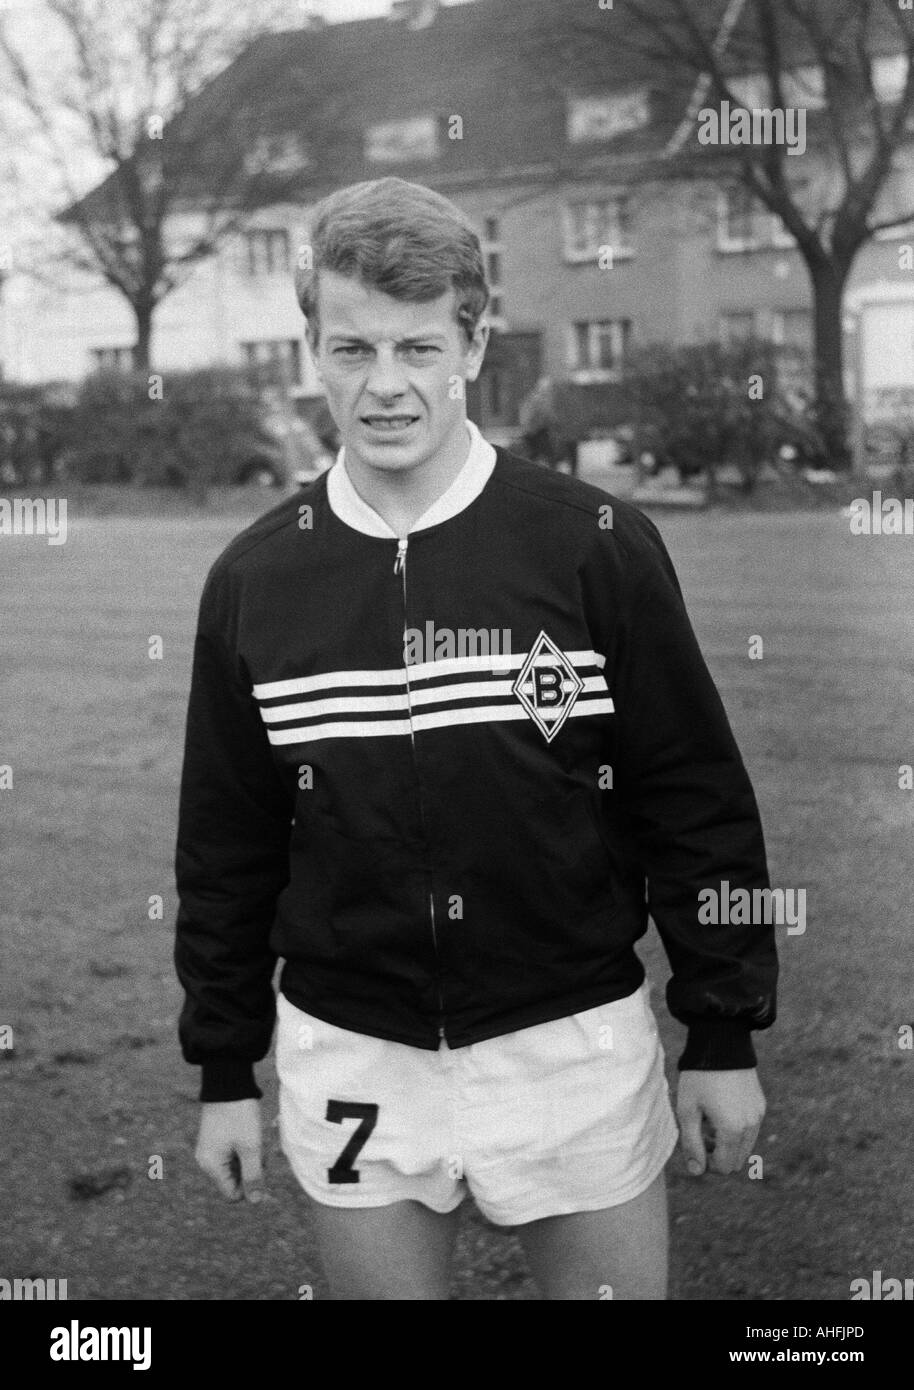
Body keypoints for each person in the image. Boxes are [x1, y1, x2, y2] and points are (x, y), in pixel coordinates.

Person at [174, 176, 777, 1301]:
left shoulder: (591, 543)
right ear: (310, 346)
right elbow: (224, 847)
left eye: (417, 347)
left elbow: (691, 796)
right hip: (351, 1052)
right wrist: (222, 1065)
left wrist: (722, 1032)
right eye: (350, 349)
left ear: (475, 339)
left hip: (570, 1041)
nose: (385, 385)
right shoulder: (256, 579)